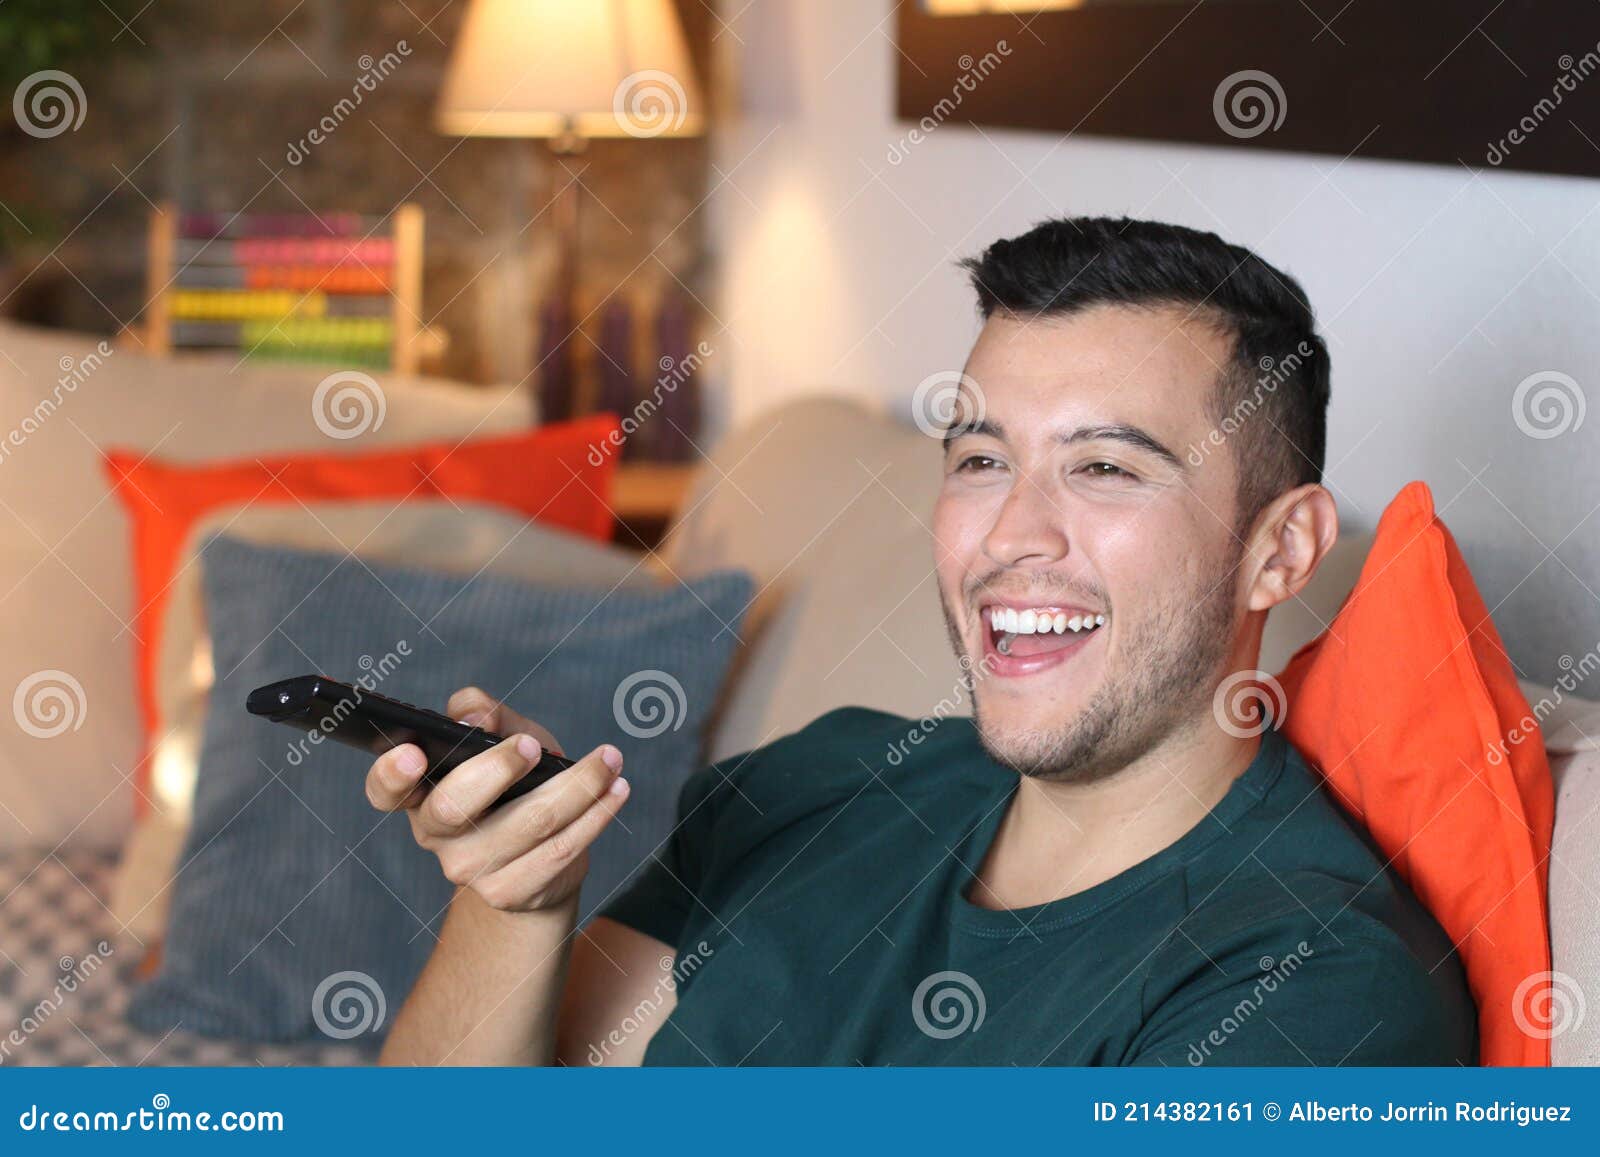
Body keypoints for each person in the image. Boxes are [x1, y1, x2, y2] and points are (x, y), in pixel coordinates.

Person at [366, 217, 1477, 1066]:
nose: (1010, 533)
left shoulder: (1307, 987)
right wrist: (517, 900)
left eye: (1103, 467)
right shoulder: (825, 781)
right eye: (982, 459)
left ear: (1281, 551)